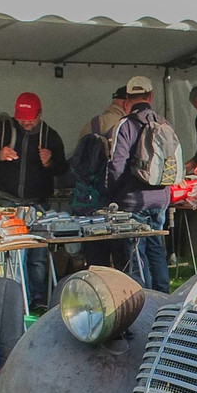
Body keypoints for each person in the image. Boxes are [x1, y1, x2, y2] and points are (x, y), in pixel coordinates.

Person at [0, 91, 67, 309]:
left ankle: (37, 302)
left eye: (30, 119)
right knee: (13, 256)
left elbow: (63, 168)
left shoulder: (50, 135)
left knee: (38, 257)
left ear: (40, 114)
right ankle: (15, 301)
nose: (26, 123)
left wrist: (50, 162)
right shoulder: (4, 130)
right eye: (22, 119)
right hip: (9, 204)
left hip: (39, 204)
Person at [105, 76, 171, 292]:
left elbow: (116, 166)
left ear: (127, 99)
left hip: (133, 201)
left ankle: (142, 298)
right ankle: (164, 297)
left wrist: (110, 194)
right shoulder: (163, 122)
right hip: (160, 199)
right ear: (150, 96)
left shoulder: (125, 125)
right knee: (156, 250)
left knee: (136, 254)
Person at [72, 86, 129, 267]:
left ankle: (96, 280)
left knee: (95, 254)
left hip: (88, 200)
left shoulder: (92, 123)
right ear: (125, 103)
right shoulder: (124, 126)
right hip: (114, 199)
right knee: (121, 255)